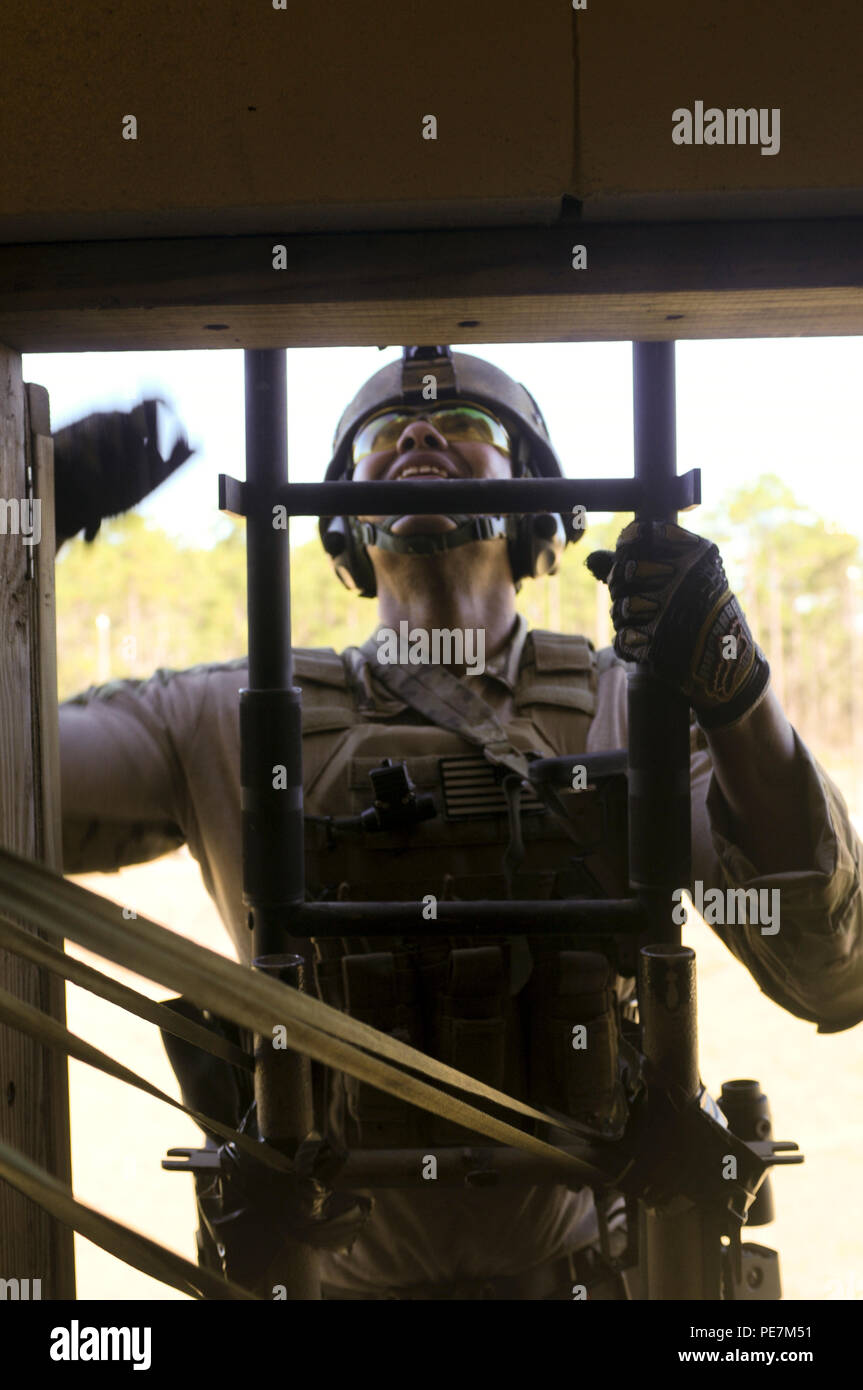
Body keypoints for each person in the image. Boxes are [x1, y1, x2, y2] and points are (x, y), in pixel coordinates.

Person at [58, 346, 863, 1300]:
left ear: (544, 513)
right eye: (378, 434)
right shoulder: (225, 715)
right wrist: (27, 525)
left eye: (466, 424)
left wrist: (732, 690)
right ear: (343, 530)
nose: (420, 431)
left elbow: (827, 965)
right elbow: (22, 783)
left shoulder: (629, 711)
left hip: (576, 1278)